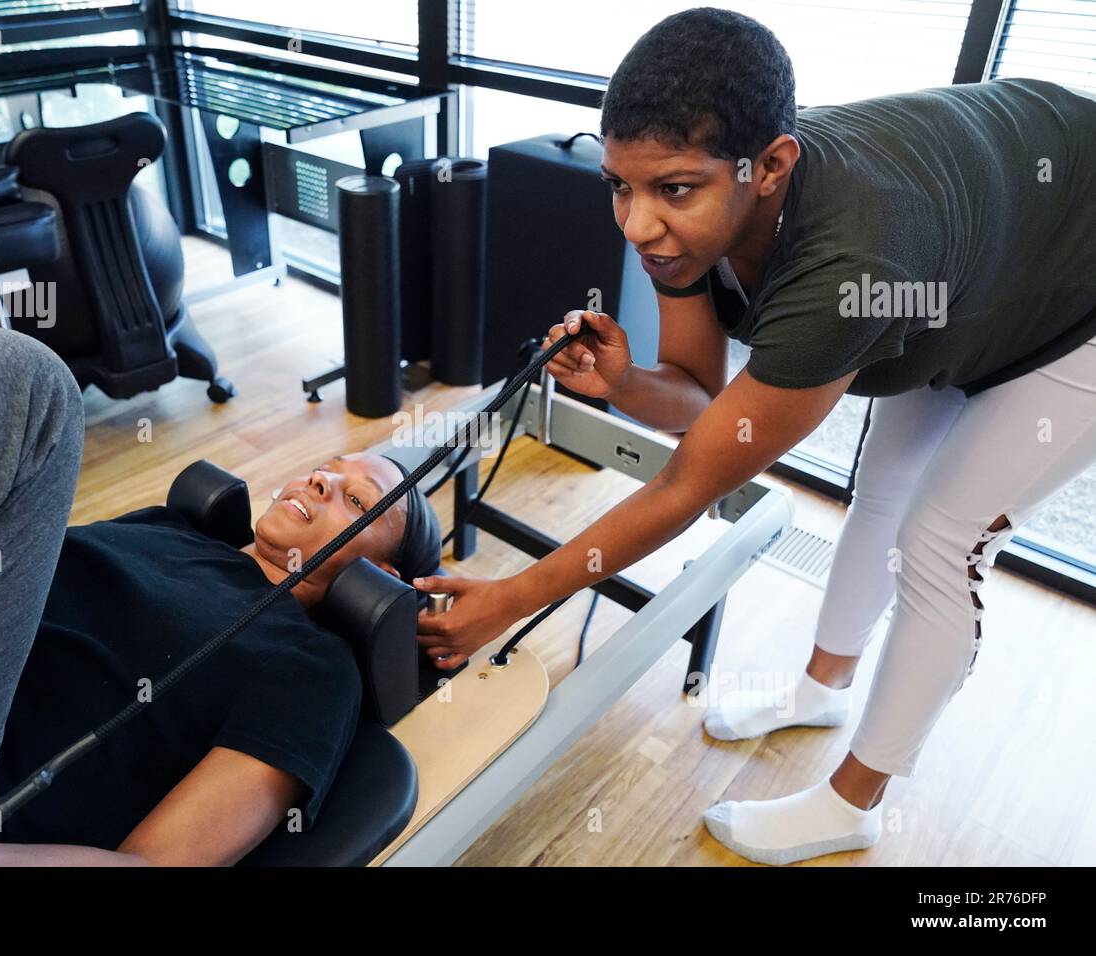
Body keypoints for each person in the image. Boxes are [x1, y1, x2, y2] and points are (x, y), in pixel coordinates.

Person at [413, 7, 1096, 865]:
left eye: (671, 190)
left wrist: (512, 600)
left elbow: (687, 483)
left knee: (940, 543)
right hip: (977, 262)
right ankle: (823, 686)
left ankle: (855, 804)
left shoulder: (850, 263)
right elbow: (699, 394)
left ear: (770, 167)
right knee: (881, 489)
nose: (635, 225)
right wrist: (626, 383)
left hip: (1077, 282)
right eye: (619, 185)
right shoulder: (686, 223)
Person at [0, 255, 441, 866]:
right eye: (326, 469)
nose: (322, 481)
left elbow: (155, 864)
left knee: (30, 387)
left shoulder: (314, 670)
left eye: (357, 498)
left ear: (379, 575)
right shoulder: (171, 529)